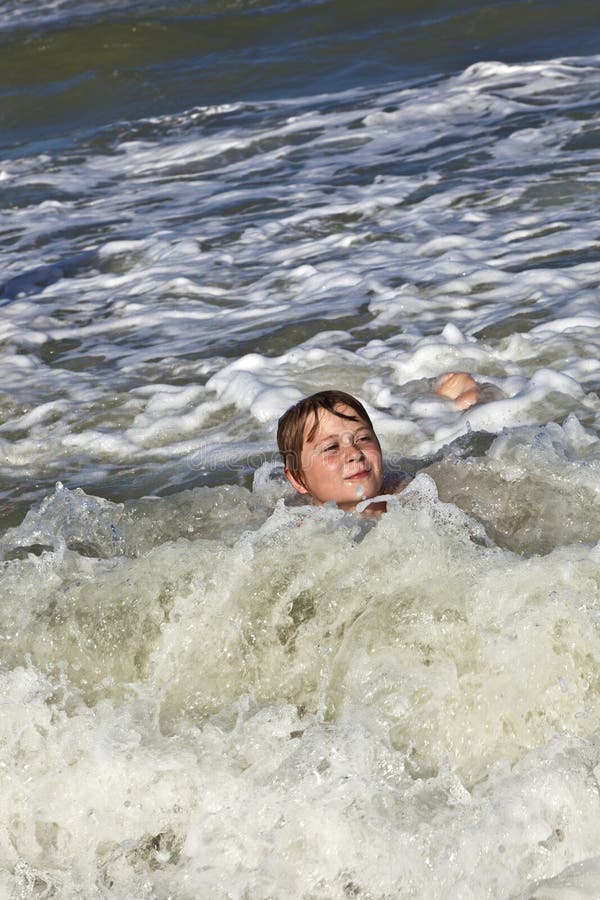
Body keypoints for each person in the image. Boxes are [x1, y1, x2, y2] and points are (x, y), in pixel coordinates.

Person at [277, 372, 488, 514]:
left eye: (363, 439)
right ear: (298, 479)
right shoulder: (299, 528)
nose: (354, 453)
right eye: (332, 447)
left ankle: (445, 401)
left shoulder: (405, 491)